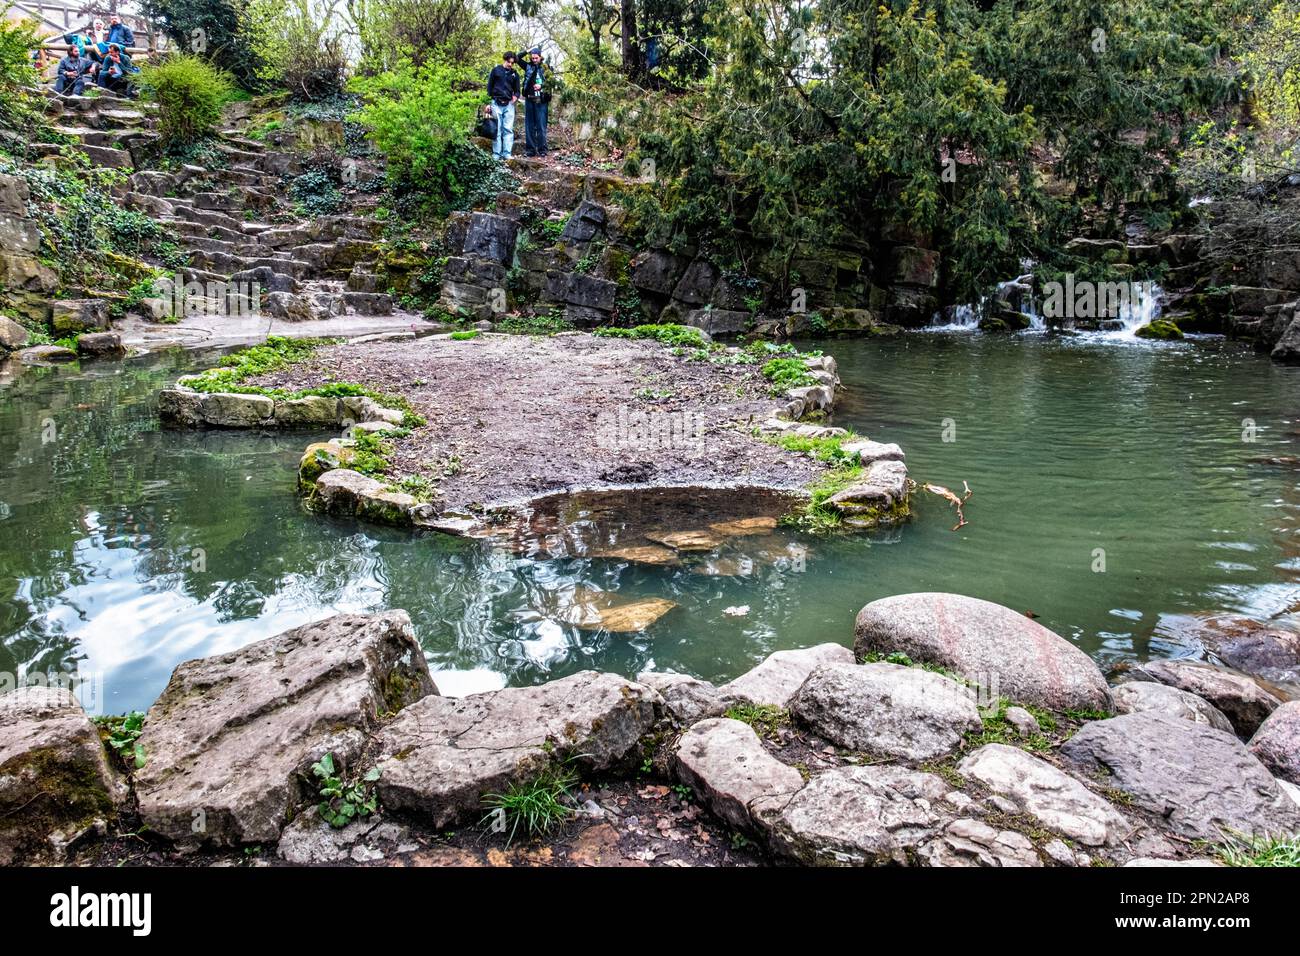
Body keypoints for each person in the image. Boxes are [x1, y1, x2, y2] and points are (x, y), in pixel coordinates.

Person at [485, 51, 519, 161]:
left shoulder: (515, 74)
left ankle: (507, 153)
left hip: (509, 104)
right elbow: (489, 88)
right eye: (509, 62)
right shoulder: (495, 71)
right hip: (496, 103)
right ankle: (496, 154)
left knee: (508, 130)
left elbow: (518, 90)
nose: (510, 64)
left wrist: (515, 97)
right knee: (497, 130)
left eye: (512, 63)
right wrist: (488, 103)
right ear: (505, 60)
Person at [522, 47, 551, 158]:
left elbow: (551, 83)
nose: (534, 59)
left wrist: (541, 86)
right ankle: (530, 150)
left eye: (536, 58)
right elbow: (517, 58)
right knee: (529, 125)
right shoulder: (527, 66)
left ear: (540, 57)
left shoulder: (546, 68)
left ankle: (542, 149)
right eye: (532, 57)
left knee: (541, 125)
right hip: (529, 99)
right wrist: (527, 50)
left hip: (541, 100)